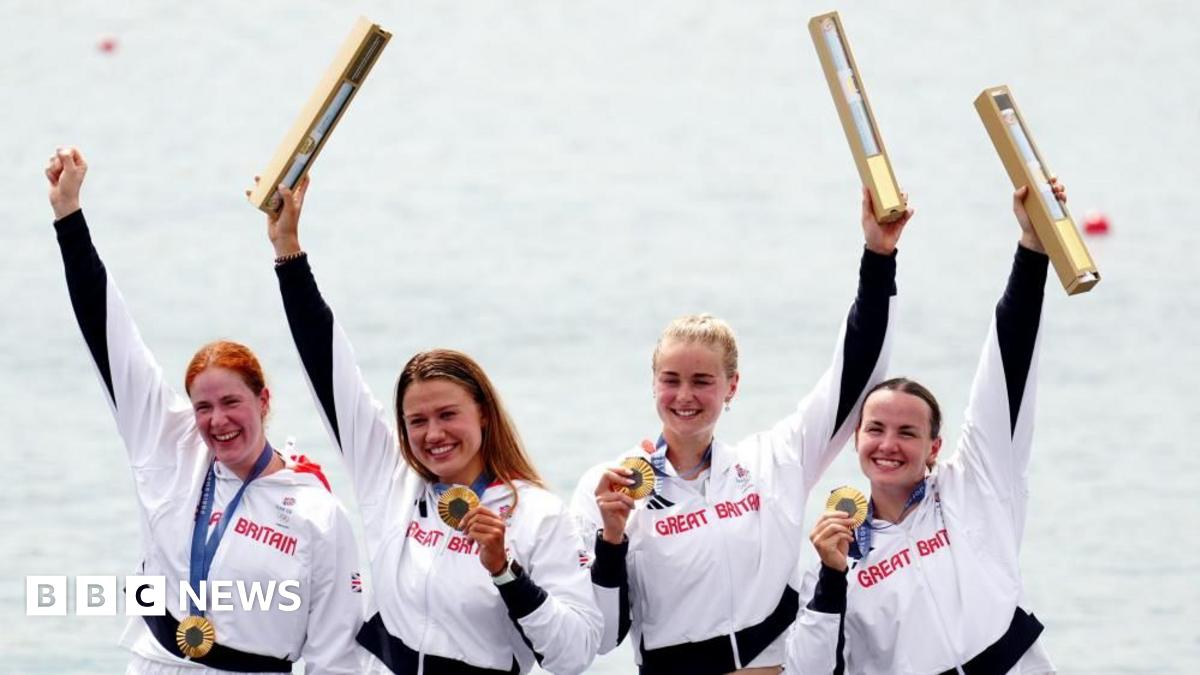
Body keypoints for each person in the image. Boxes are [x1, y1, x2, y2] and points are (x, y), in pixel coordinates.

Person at [257, 175, 603, 675]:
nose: (433, 434)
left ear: (482, 412)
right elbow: (329, 367)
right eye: (416, 421)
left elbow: (574, 655)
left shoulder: (538, 515)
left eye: (447, 415)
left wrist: (506, 572)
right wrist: (287, 250)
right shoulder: (392, 479)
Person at [45, 147, 364, 673]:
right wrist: (68, 215)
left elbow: (338, 654)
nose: (218, 420)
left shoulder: (318, 514)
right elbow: (110, 336)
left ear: (263, 401)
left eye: (232, 402)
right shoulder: (169, 442)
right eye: (204, 407)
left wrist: (288, 245)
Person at [571, 188, 911, 674]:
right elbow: (601, 637)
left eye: (702, 381)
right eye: (671, 380)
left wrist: (878, 256)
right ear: (653, 384)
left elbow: (853, 375)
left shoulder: (774, 460)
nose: (684, 396)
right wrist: (611, 539)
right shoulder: (610, 488)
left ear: (732, 387)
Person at [788, 182, 1066, 674]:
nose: (889, 444)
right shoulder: (835, 552)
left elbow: (1008, 359)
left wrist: (1033, 244)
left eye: (908, 433)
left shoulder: (976, 485)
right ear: (856, 439)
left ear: (935, 446)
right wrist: (832, 580)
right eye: (875, 429)